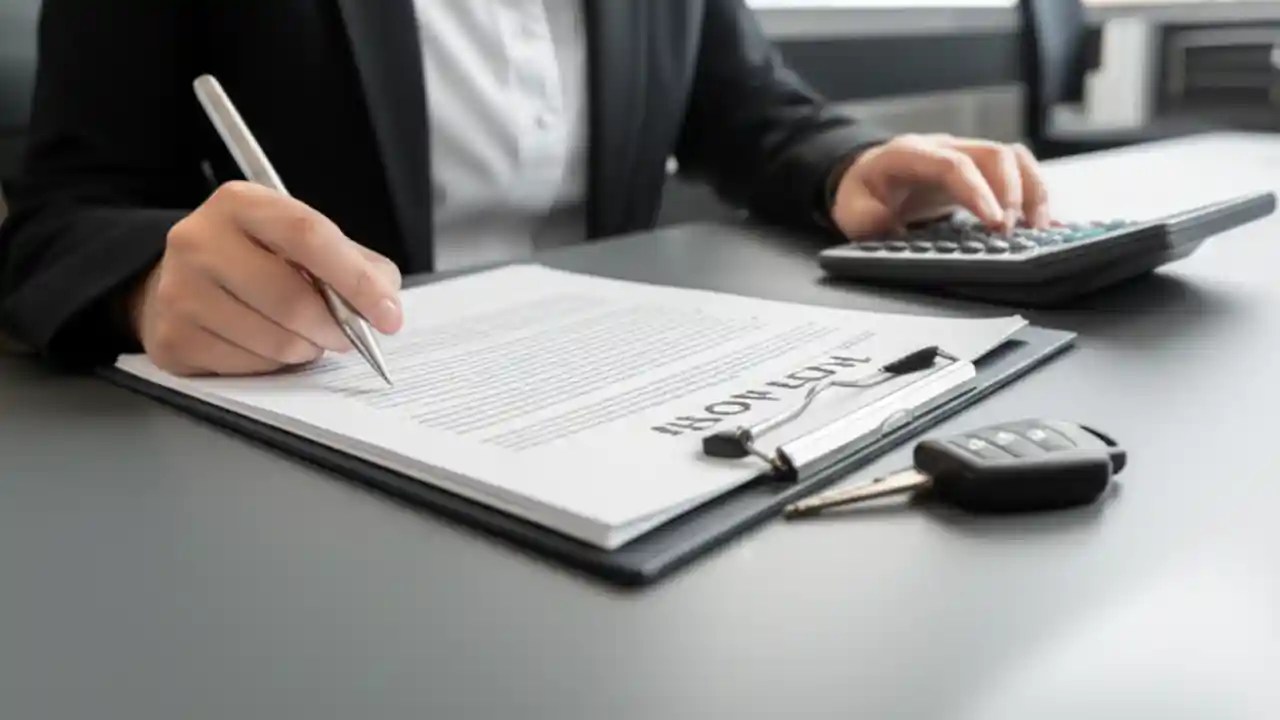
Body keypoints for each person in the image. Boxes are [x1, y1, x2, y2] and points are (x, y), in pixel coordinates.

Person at [0, 0, 1050, 376]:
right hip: (322, 416)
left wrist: (847, 164)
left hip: (613, 401)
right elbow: (60, 211)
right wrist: (148, 284)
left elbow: (746, 109)